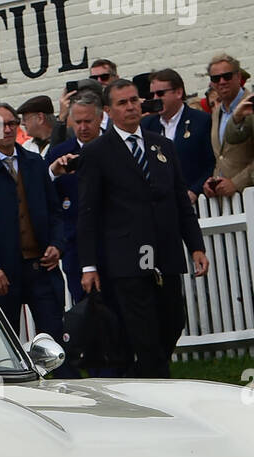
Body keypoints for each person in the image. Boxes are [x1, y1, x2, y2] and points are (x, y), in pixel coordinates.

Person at [76, 80, 209, 378]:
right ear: (108, 111)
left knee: (174, 320)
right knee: (144, 331)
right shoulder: (97, 153)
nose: (131, 107)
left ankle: (142, 375)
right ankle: (159, 389)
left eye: (134, 100)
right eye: (122, 103)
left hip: (166, 253)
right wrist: (89, 265)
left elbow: (180, 199)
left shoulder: (162, 145)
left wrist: (196, 245)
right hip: (126, 259)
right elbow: (87, 214)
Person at [0, 102, 66, 343]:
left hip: (41, 269)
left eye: (12, 123)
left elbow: (55, 211)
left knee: (54, 339)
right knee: (7, 344)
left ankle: (59, 381)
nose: (6, 129)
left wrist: (57, 245)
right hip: (3, 274)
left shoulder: (34, 163)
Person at [45, 94, 103, 302]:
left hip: (115, 244)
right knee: (87, 314)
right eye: (78, 122)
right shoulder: (59, 153)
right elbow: (44, 197)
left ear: (100, 117)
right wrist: (53, 172)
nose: (83, 127)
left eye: (88, 121)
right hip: (76, 247)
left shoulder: (114, 146)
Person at [141, 68, 214, 197]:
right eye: (152, 95)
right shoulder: (147, 125)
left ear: (179, 92)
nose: (155, 98)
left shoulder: (201, 121)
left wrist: (195, 190)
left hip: (196, 200)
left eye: (160, 93)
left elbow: (211, 163)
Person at [205, 53, 254, 197]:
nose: (221, 82)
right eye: (216, 78)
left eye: (227, 76)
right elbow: (221, 156)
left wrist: (236, 183)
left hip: (252, 194)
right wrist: (212, 181)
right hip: (224, 200)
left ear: (238, 77)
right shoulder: (216, 113)